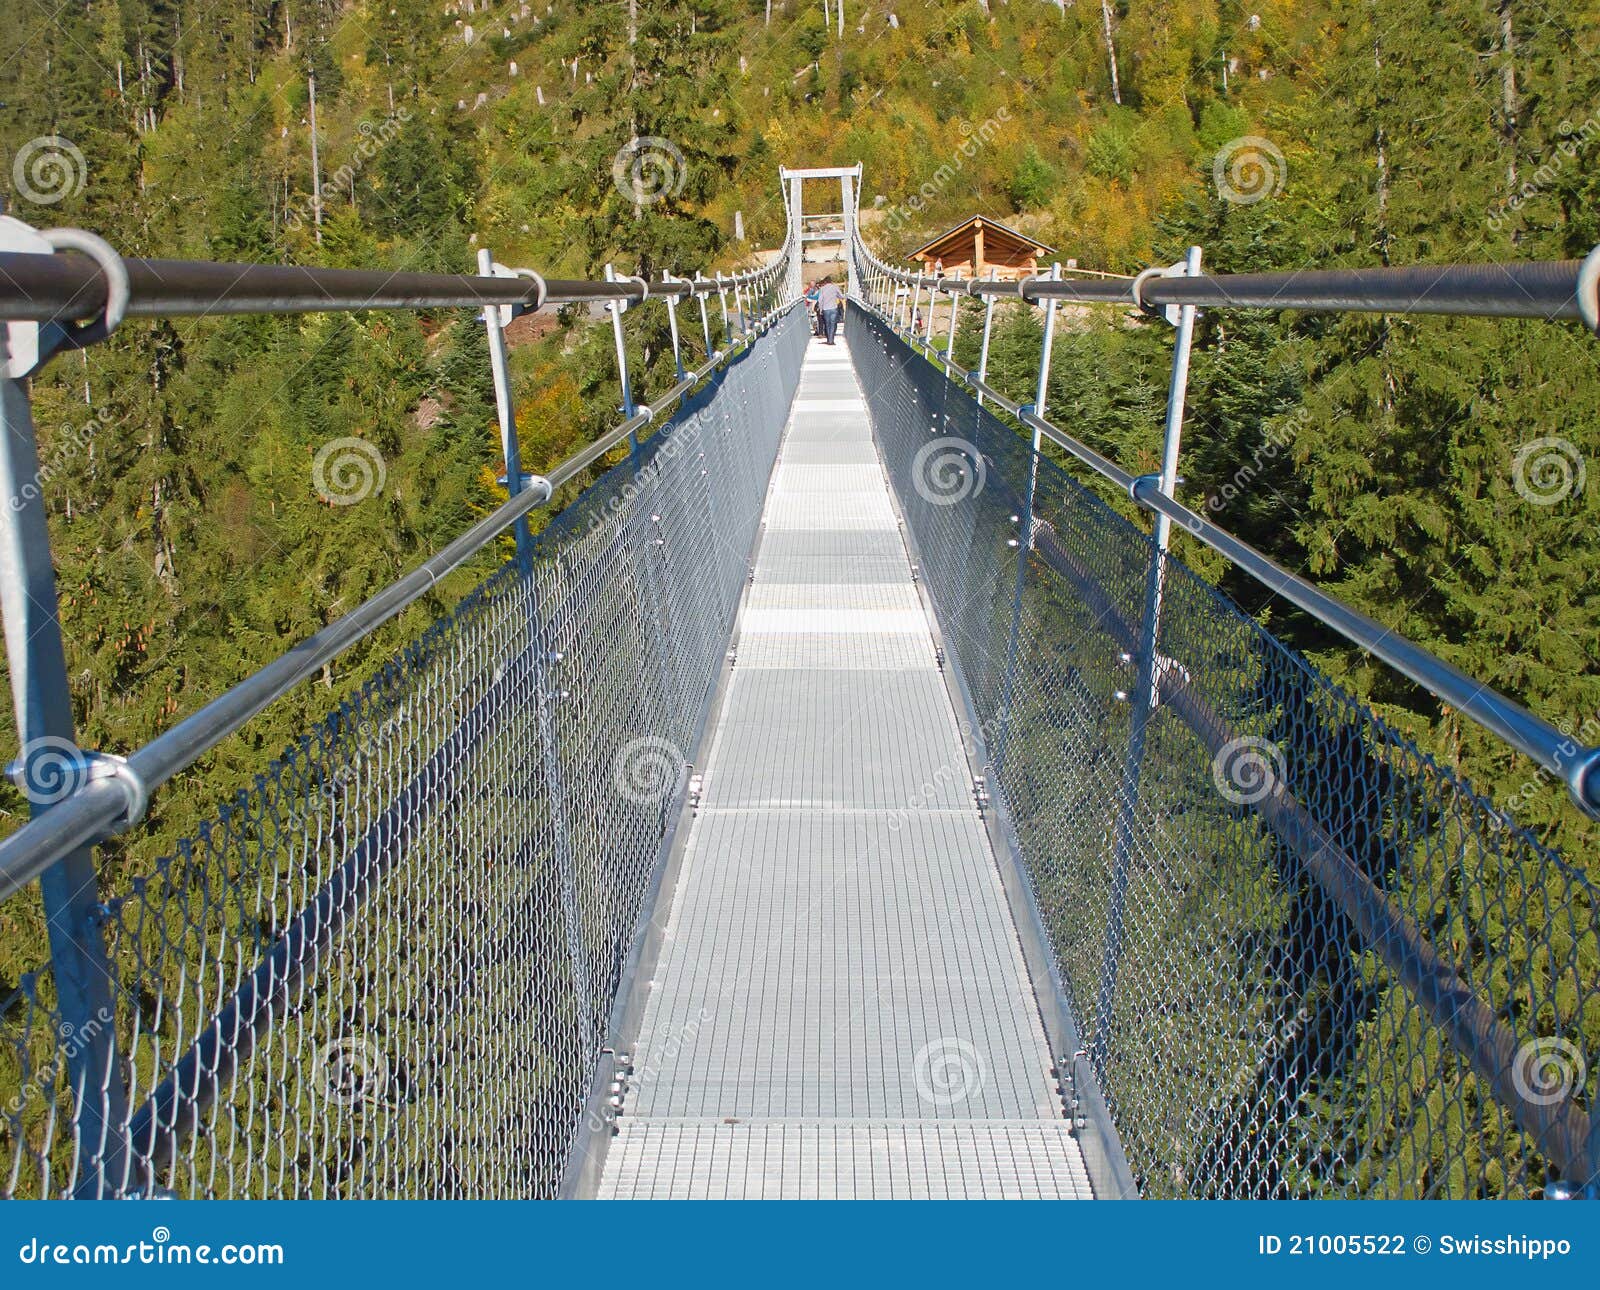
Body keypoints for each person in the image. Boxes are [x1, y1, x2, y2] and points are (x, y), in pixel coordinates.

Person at [817, 276, 843, 345]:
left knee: (827, 324)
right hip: (834, 308)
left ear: (825, 282)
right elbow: (841, 296)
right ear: (831, 281)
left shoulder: (822, 289)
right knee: (833, 324)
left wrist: (820, 309)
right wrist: (837, 296)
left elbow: (820, 300)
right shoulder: (835, 287)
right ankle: (831, 340)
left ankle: (829, 339)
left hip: (825, 309)